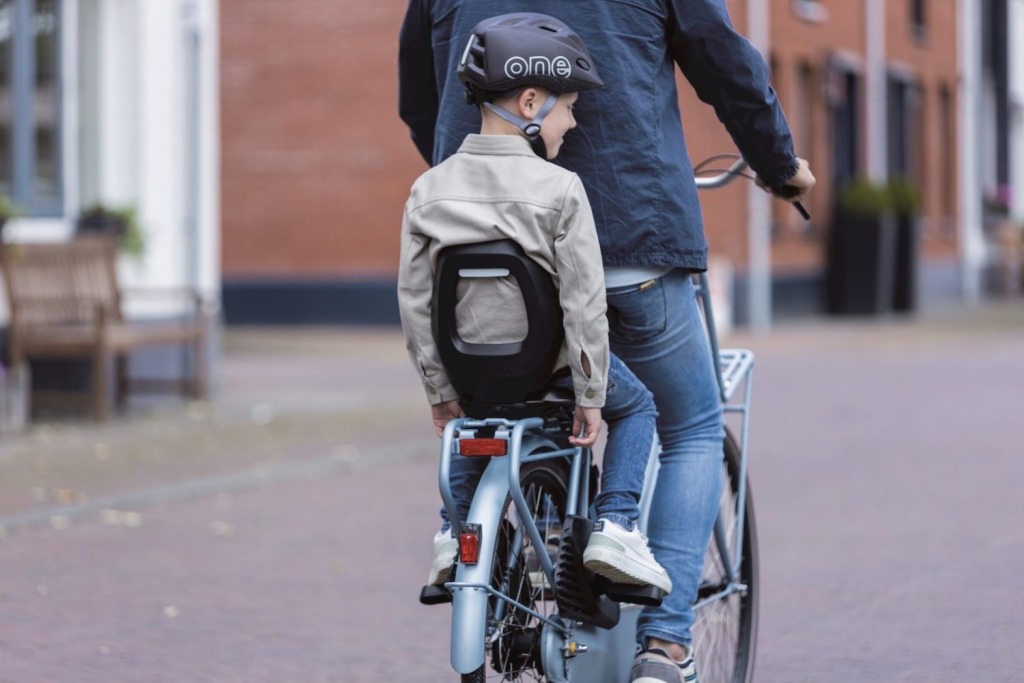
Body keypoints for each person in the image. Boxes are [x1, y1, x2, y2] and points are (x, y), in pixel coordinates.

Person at [399, 2, 816, 683]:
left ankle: (512, 545)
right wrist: (779, 164)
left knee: (496, 400)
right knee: (693, 424)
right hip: (633, 237)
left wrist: (481, 187)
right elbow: (724, 63)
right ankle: (666, 644)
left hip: (480, 253)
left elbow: (419, 93)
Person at [397, 12, 673, 597]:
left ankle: (453, 532)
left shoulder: (428, 191)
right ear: (529, 103)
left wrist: (439, 389)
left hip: (471, 369)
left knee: (471, 422)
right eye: (568, 108)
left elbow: (416, 301)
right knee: (642, 407)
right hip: (550, 367)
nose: (571, 124)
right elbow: (582, 303)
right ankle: (617, 527)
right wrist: (591, 396)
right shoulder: (560, 189)